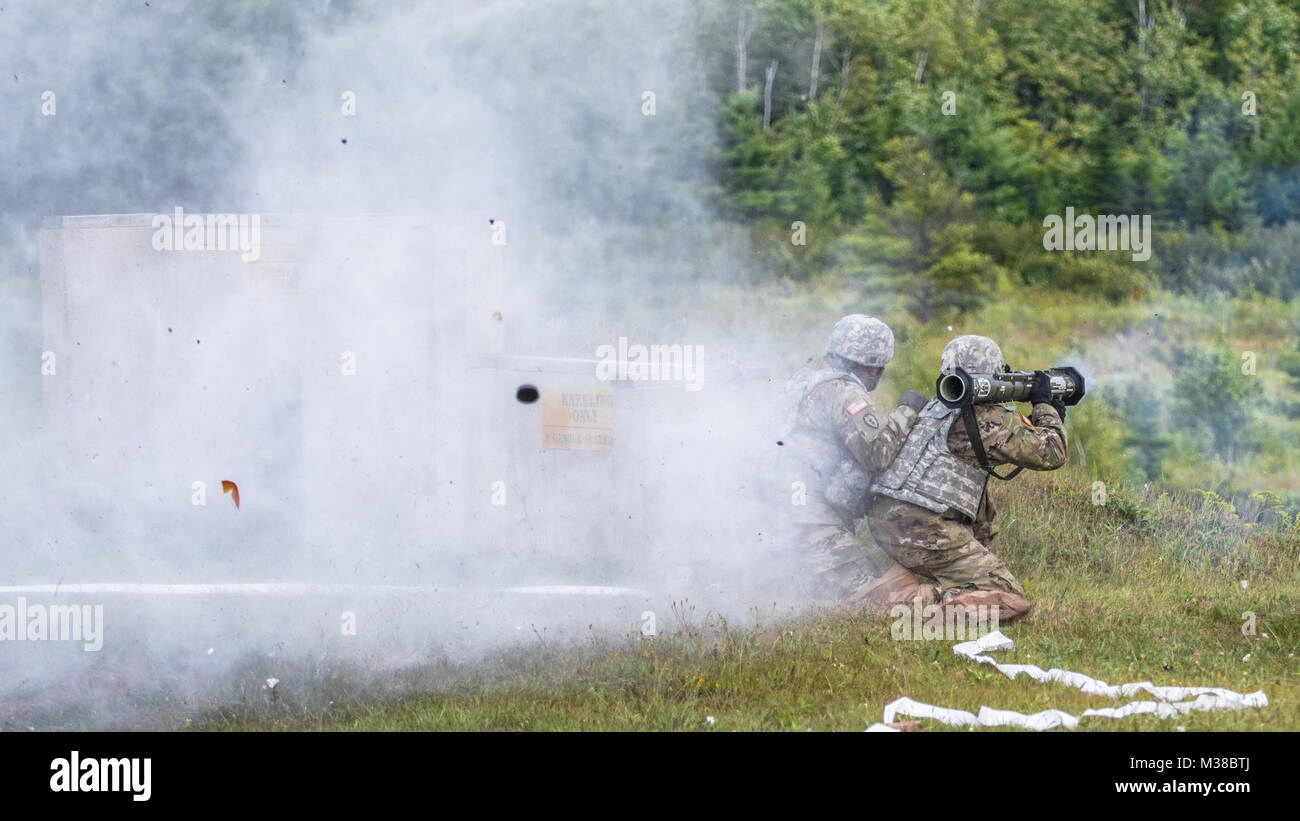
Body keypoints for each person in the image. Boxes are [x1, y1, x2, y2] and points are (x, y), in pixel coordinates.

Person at [852, 335, 1068, 621]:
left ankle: (901, 580)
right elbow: (1053, 452)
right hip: (923, 529)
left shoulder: (930, 409)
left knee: (972, 553)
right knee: (1004, 593)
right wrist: (1046, 408)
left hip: (884, 523)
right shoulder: (990, 419)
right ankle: (900, 598)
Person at [781, 314, 929, 604]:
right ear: (874, 366)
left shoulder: (805, 382)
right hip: (807, 519)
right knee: (873, 594)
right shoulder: (847, 393)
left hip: (780, 508)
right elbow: (877, 454)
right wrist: (906, 411)